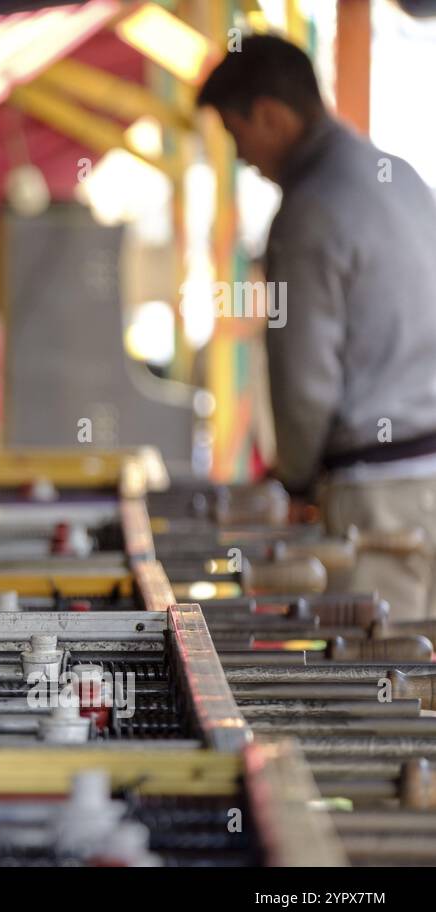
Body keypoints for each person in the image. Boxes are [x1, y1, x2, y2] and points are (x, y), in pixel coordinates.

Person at [197, 34, 436, 619]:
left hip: (378, 495)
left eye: (236, 134)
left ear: (271, 116)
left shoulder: (308, 210)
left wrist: (295, 478)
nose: (241, 157)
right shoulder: (398, 176)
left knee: (386, 685)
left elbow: (303, 381)